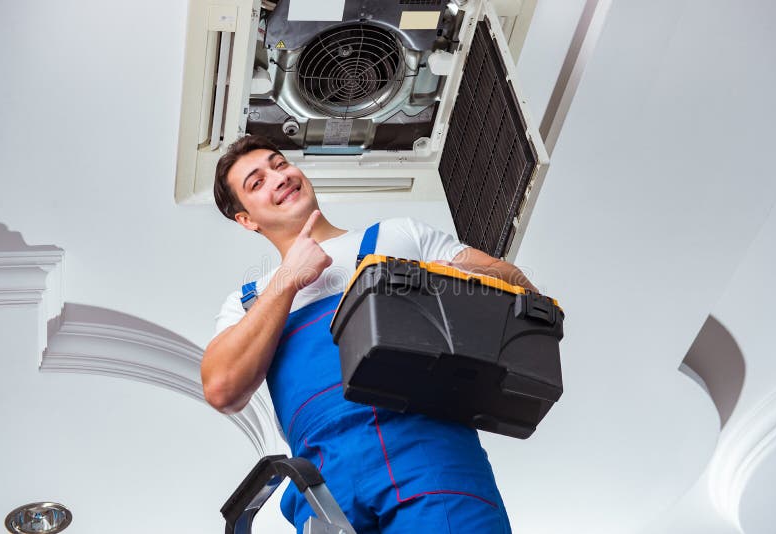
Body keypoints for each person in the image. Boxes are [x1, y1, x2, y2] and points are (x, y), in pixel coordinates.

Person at [202, 135, 538, 533]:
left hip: (429, 457)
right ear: (247, 219)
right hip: (325, 490)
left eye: (279, 164)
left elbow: (520, 288)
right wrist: (289, 280)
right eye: (256, 182)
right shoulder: (247, 303)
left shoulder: (399, 236)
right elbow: (222, 388)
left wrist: (440, 281)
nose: (279, 177)